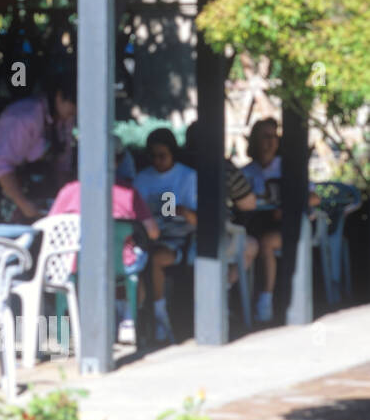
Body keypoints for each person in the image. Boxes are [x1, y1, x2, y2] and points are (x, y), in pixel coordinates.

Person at [48, 136, 161, 344]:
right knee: (141, 260)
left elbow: (50, 229)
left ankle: (61, 339)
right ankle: (129, 318)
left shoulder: (69, 192)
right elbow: (154, 232)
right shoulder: (130, 193)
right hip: (118, 264)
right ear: (119, 161)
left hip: (74, 264)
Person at [237, 118, 319, 322]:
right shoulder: (247, 172)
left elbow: (314, 196)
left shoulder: (288, 167)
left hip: (289, 227)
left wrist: (288, 207)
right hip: (256, 225)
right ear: (254, 140)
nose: (270, 141)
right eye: (265, 136)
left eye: (274, 136)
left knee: (266, 243)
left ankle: (266, 300)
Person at [183, 120, 261, 301]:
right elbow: (248, 205)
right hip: (211, 236)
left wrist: (178, 216)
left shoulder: (175, 169)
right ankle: (221, 291)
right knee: (250, 245)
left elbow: (167, 209)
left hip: (181, 236)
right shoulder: (224, 167)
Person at [133, 128, 197, 343]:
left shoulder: (187, 177)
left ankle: (160, 316)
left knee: (155, 258)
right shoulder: (143, 178)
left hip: (178, 240)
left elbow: (199, 219)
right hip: (147, 237)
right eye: (153, 156)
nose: (158, 162)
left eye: (163, 156)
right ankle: (133, 320)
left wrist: (183, 212)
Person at [0, 75, 77, 222]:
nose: (73, 115)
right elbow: (0, 166)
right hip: (9, 193)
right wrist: (23, 204)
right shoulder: (25, 117)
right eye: (73, 110)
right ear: (59, 96)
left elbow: (63, 165)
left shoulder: (65, 118)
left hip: (40, 194)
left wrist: (65, 203)